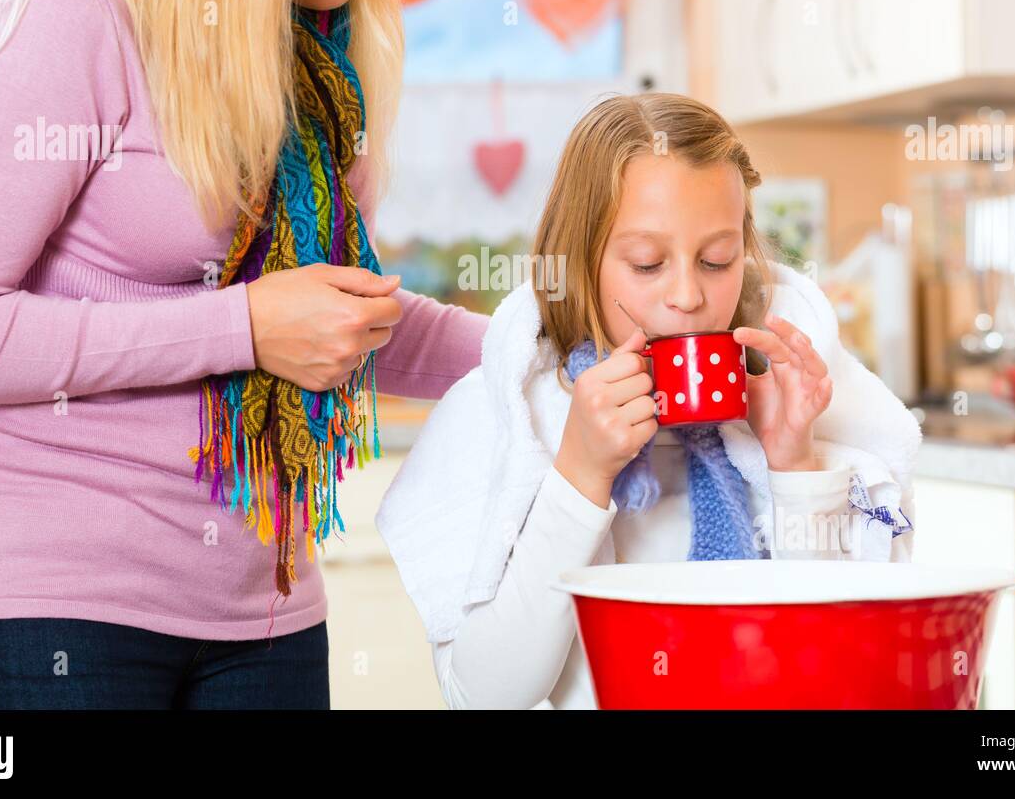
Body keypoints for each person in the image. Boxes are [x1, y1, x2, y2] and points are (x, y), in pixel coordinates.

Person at [0, 0, 486, 709]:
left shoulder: (314, 49)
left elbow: (331, 315)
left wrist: (559, 350)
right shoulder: (76, 10)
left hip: (261, 613)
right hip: (49, 613)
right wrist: (239, 327)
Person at [375, 92, 922, 708]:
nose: (687, 295)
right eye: (646, 263)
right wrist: (580, 475)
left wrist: (793, 464)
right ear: (582, 261)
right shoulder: (512, 415)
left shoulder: (793, 397)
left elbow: (832, 664)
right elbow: (481, 697)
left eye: (716, 260)